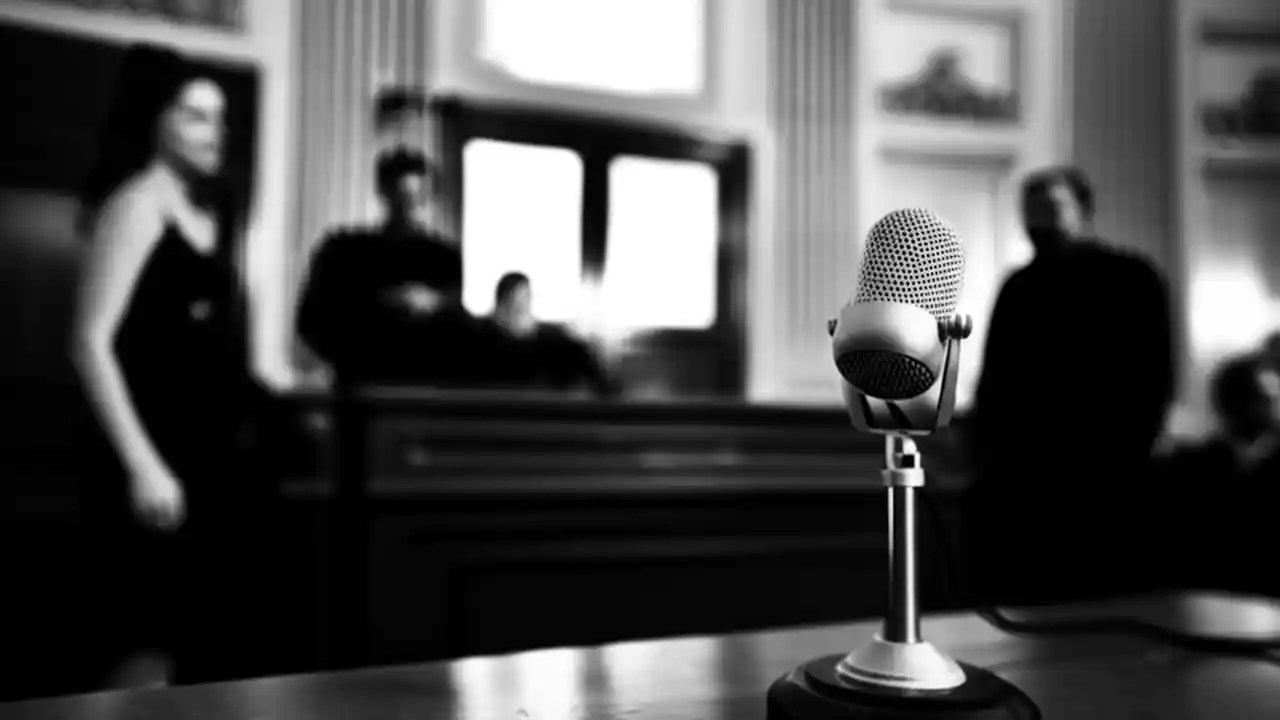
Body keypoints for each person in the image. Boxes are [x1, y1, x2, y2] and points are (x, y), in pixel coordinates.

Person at [70, 43, 283, 688]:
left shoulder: (217, 212)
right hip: (149, 457)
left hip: (207, 460)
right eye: (195, 115)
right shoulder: (135, 205)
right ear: (155, 120)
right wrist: (142, 465)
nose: (214, 131)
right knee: (145, 643)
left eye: (219, 117)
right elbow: (89, 342)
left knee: (200, 641)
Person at [961, 166, 1176, 605]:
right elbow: (995, 380)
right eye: (1030, 211)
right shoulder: (1018, 286)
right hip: (1026, 482)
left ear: (1084, 210)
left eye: (1051, 207)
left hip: (1107, 475)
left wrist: (1132, 448)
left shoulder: (1132, 277)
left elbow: (1154, 373)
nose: (1038, 221)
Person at [296, 147, 470, 383]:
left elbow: (461, 329)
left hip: (427, 391)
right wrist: (384, 305)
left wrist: (436, 306)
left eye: (418, 197)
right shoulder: (343, 251)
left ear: (431, 198)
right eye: (402, 196)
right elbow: (312, 320)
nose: (410, 206)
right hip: (361, 387)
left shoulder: (445, 259)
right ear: (384, 193)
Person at [479, 272, 613, 395]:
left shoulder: (555, 341)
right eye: (511, 304)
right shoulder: (480, 342)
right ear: (499, 305)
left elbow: (600, 385)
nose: (515, 311)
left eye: (522, 304)